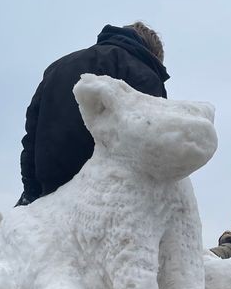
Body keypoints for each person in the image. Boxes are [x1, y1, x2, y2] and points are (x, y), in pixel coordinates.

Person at [17, 22, 169, 206]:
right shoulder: (142, 72)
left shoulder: (58, 67)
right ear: (153, 54)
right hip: (107, 201)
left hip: (49, 198)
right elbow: (153, 144)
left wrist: (31, 194)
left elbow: (31, 136)